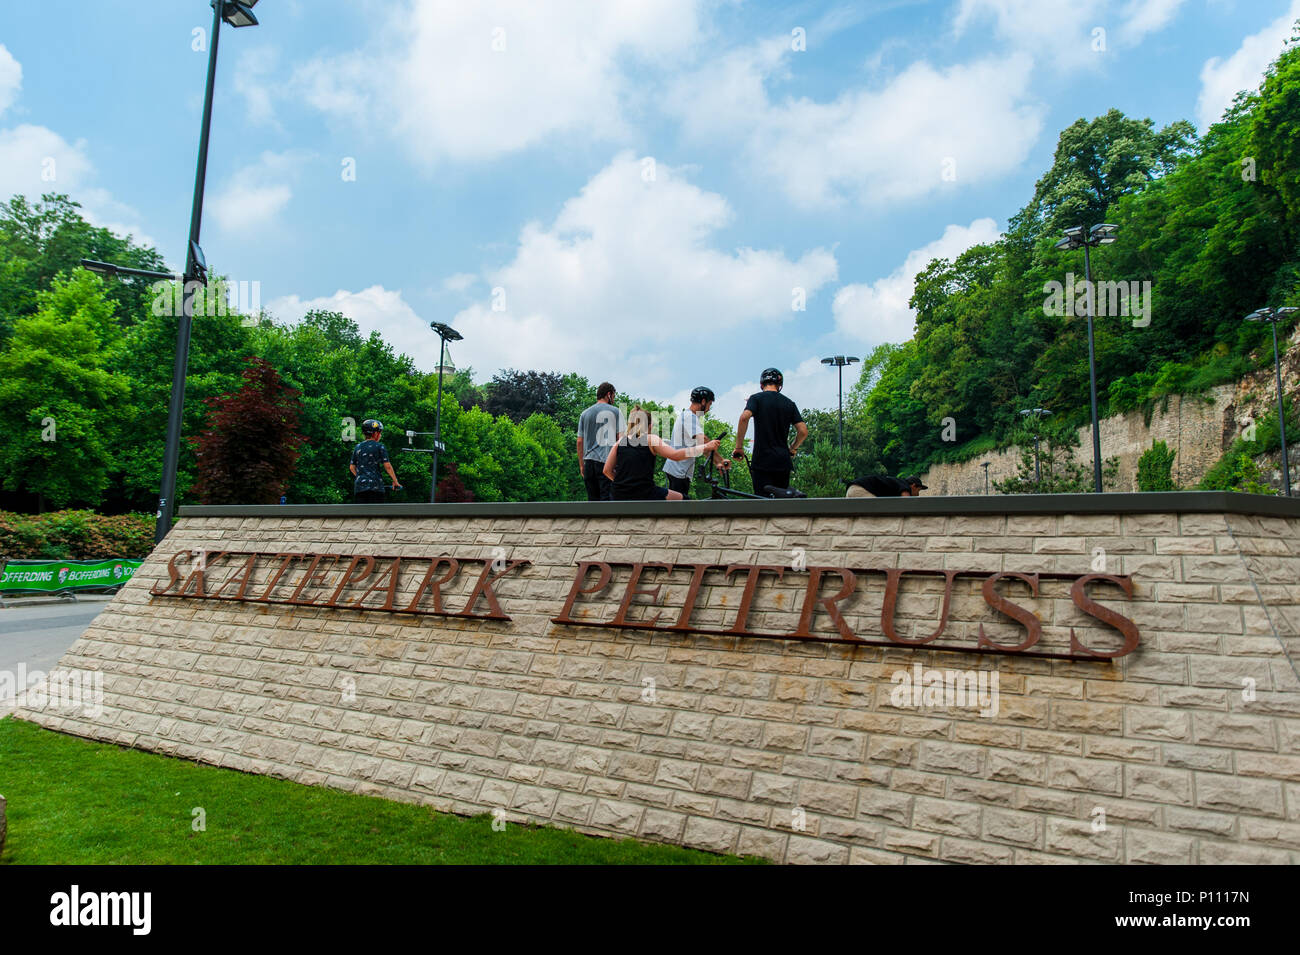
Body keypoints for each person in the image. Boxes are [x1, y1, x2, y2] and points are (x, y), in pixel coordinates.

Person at [605, 406, 720, 501]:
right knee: (685, 501)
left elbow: (606, 470)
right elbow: (675, 455)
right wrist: (705, 446)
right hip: (645, 493)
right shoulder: (651, 439)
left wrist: (624, 484)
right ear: (649, 426)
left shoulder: (620, 442)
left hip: (618, 494)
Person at [733, 367, 808, 495]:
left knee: (763, 502)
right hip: (783, 462)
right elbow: (803, 431)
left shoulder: (756, 399)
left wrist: (739, 447)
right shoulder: (789, 403)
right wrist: (793, 448)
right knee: (782, 501)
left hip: (762, 460)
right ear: (780, 385)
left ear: (761, 384)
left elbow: (744, 418)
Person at [663, 386, 730, 498]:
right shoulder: (690, 417)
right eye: (709, 405)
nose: (708, 409)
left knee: (678, 507)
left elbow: (703, 448)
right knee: (677, 509)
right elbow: (703, 441)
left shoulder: (688, 416)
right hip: (678, 471)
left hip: (678, 471)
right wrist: (721, 460)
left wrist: (718, 462)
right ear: (703, 402)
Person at [576, 382, 624, 501]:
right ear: (609, 394)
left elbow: (579, 442)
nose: (613, 399)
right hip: (607, 464)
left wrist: (582, 465)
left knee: (593, 504)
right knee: (608, 503)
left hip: (589, 464)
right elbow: (621, 440)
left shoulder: (584, 414)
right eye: (613, 396)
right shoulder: (616, 412)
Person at [350, 419, 402, 503]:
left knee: (362, 513)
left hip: (360, 488)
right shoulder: (379, 446)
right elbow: (387, 466)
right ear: (375, 434)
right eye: (380, 432)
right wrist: (395, 481)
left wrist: (361, 477)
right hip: (375, 487)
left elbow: (352, 467)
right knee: (376, 513)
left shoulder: (357, 447)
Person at [846, 474, 928, 497]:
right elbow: (906, 503)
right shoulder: (904, 484)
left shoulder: (895, 483)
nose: (918, 495)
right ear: (913, 486)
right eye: (918, 490)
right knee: (879, 511)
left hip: (851, 489)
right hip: (860, 489)